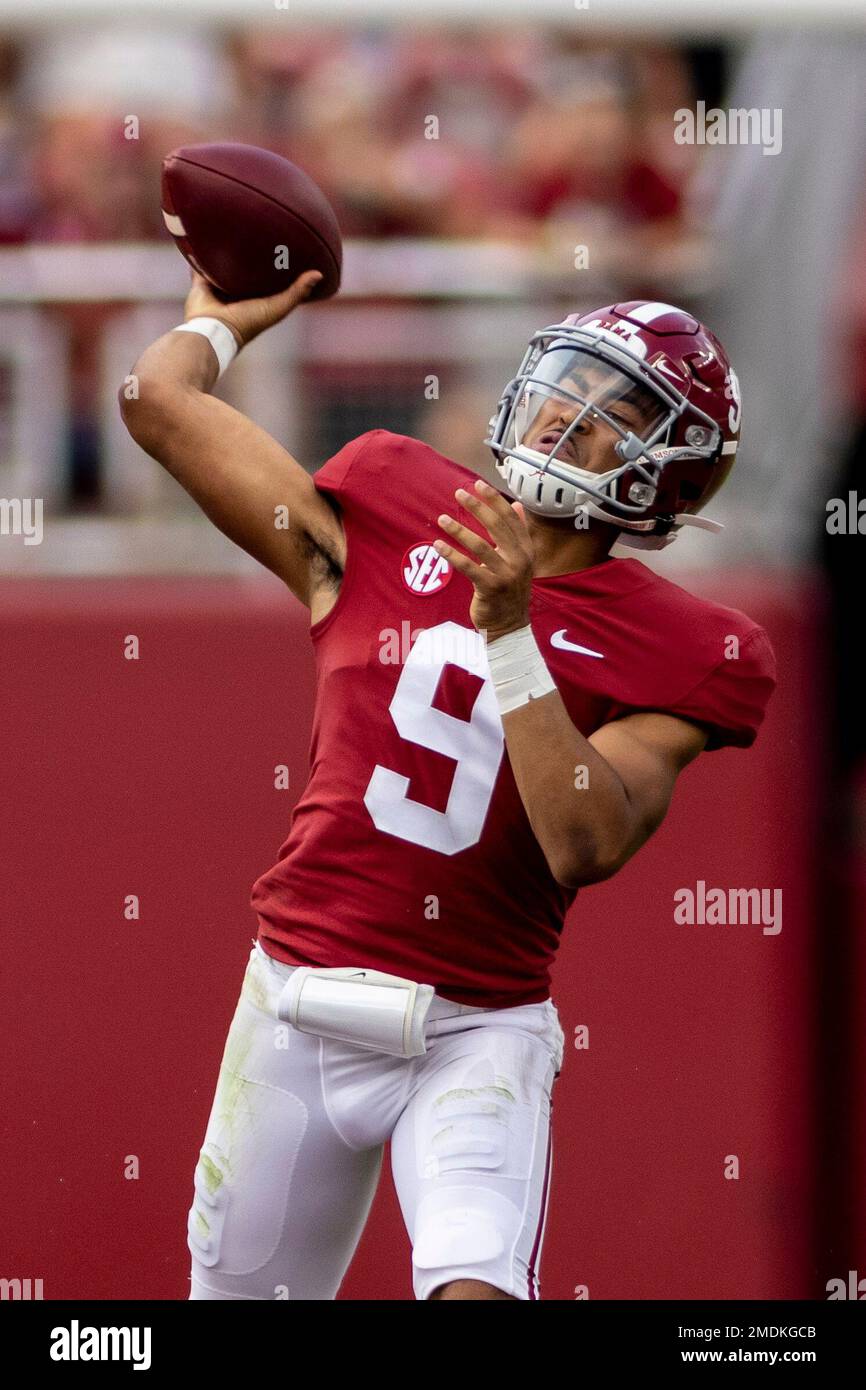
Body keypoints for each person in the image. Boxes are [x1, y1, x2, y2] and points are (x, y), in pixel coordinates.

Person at [119, 275, 776, 1301]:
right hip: (295, 999)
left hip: (475, 1030)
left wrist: (511, 631)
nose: (566, 409)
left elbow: (585, 842)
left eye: (614, 406)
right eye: (567, 380)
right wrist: (220, 319)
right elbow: (158, 402)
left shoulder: (688, 645)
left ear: (669, 472)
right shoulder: (393, 499)